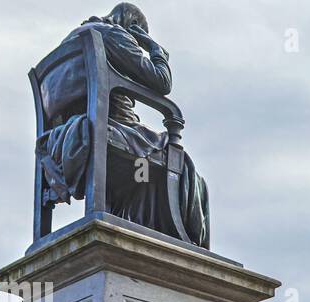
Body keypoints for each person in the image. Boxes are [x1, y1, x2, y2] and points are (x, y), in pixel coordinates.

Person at [38, 4, 211, 247]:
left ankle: (142, 227)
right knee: (183, 166)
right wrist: (155, 49)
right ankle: (185, 241)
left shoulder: (69, 44)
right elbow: (162, 82)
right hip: (109, 130)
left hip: (63, 140)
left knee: (147, 173)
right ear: (134, 27)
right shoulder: (112, 34)